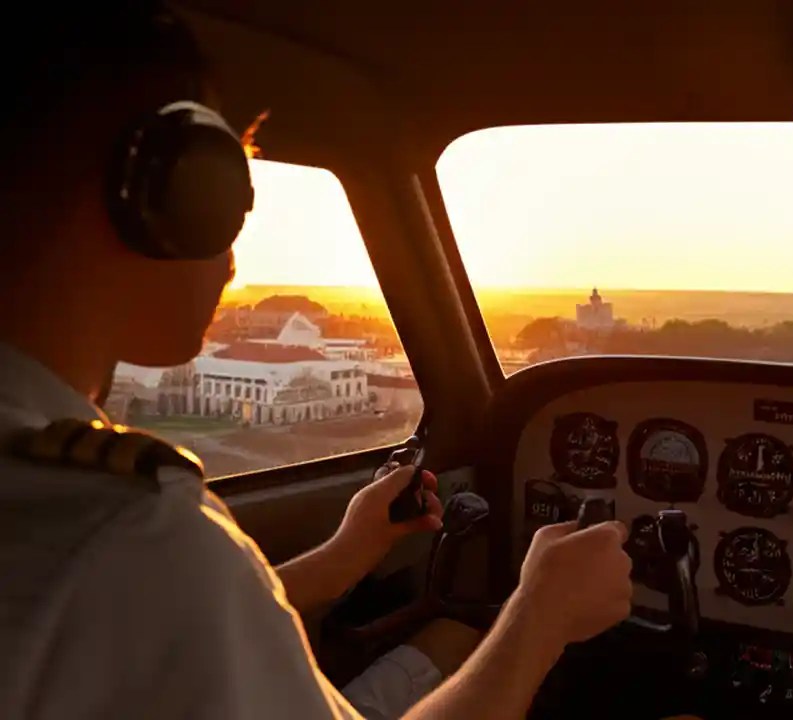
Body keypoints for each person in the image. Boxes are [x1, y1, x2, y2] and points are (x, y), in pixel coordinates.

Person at [0, 3, 633, 719]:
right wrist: (540, 618)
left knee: (453, 637)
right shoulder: (123, 534)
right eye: (226, 196)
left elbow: (159, 622)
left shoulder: (91, 536)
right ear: (164, 197)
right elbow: (153, 597)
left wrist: (343, 557)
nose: (234, 262)